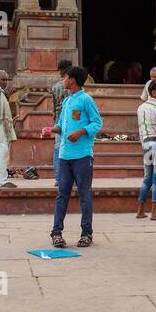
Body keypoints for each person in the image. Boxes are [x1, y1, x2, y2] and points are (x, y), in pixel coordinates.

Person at [49, 65, 103, 248]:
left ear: (72, 80)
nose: (63, 80)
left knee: (84, 194)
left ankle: (86, 233)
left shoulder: (86, 100)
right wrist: (51, 129)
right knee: (62, 194)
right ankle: (56, 233)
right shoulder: (67, 101)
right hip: (64, 155)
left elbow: (97, 123)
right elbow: (60, 126)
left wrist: (81, 131)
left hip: (82, 155)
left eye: (65, 77)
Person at [135, 79, 156, 220]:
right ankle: (154, 211)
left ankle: (141, 210)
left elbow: (141, 130)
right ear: (153, 92)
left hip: (147, 143)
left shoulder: (141, 108)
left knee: (147, 177)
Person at [48, 59, 72, 189]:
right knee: (70, 147)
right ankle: (70, 177)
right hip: (71, 119)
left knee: (58, 148)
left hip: (58, 119)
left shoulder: (55, 87)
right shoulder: (74, 85)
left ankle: (58, 178)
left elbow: (53, 108)